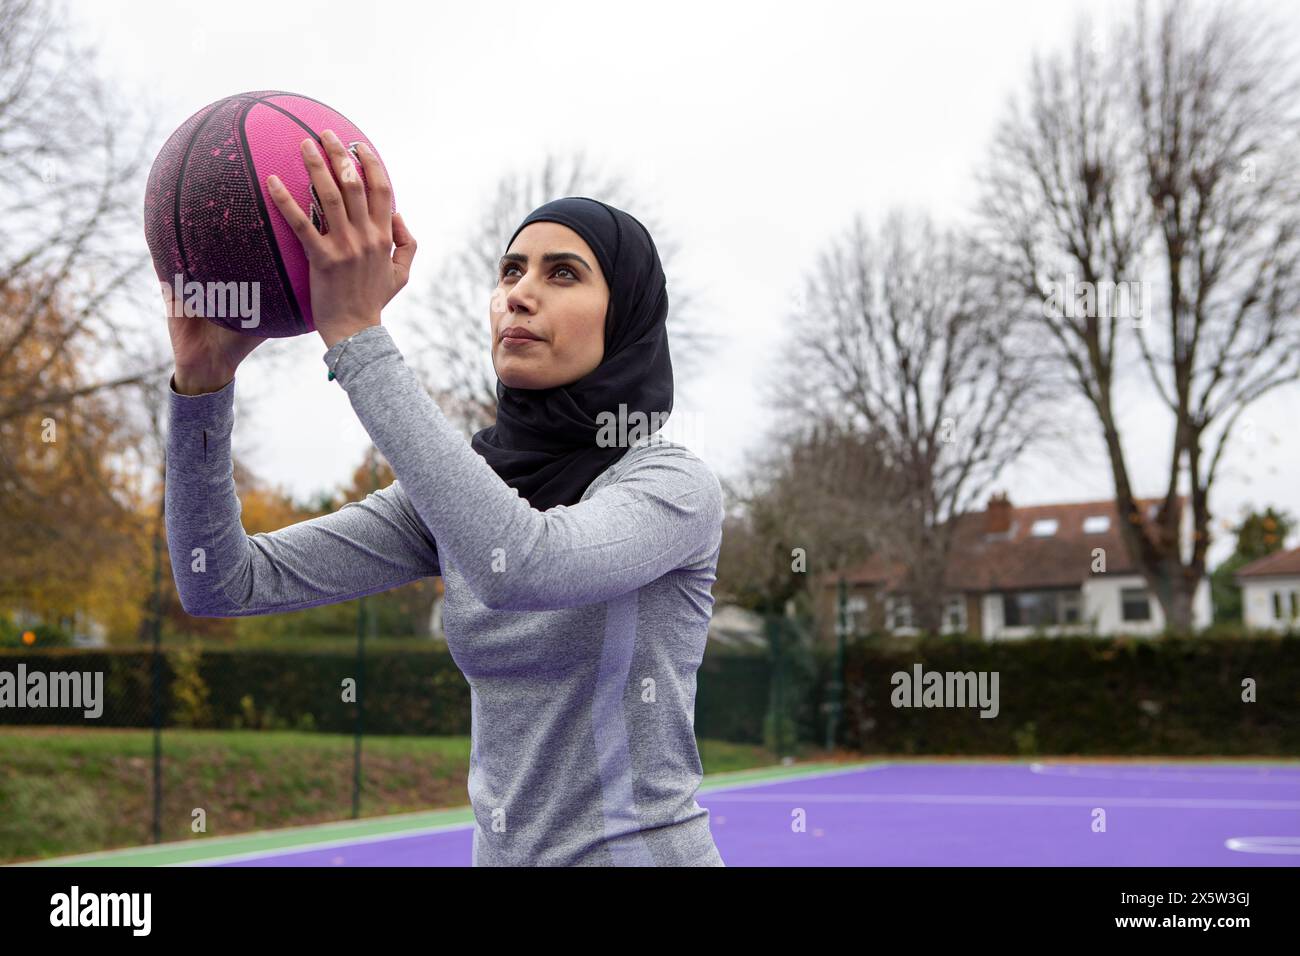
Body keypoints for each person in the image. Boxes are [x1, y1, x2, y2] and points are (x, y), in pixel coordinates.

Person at [161, 129, 726, 866]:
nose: (519, 293)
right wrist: (202, 389)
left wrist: (357, 336)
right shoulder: (456, 493)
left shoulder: (673, 489)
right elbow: (219, 581)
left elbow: (521, 565)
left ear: (626, 319)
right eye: (511, 270)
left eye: (563, 274)